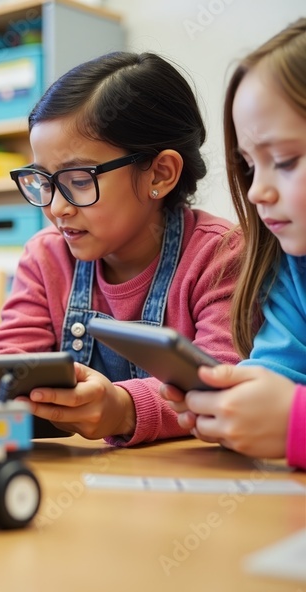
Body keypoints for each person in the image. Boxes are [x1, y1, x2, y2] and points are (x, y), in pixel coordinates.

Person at [0, 52, 242, 445]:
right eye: (43, 180)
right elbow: (6, 361)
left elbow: (223, 383)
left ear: (160, 173)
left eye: (80, 179)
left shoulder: (220, 256)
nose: (56, 207)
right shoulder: (46, 256)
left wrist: (124, 408)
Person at [163, 20, 306, 471]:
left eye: (284, 161)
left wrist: (294, 423)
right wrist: (227, 404)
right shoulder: (293, 271)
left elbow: (288, 412)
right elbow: (276, 373)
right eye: (249, 166)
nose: (256, 192)